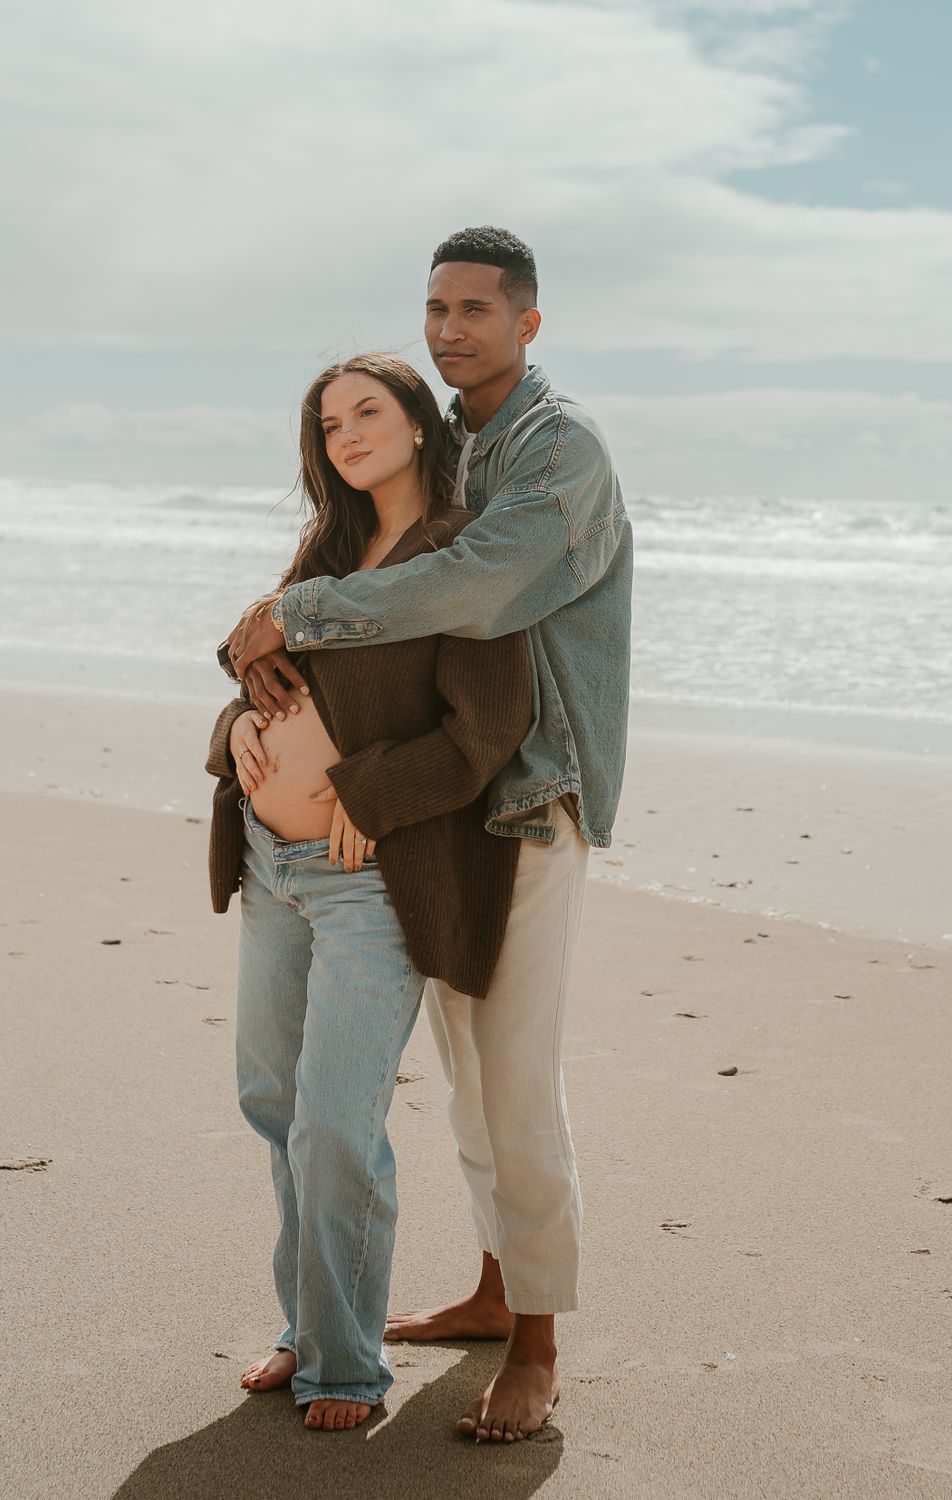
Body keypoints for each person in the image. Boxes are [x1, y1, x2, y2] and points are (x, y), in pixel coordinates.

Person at [226, 226, 633, 1444]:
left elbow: (472, 592)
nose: (449, 328)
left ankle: (542, 1346)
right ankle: (500, 1294)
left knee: (512, 1078)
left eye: (476, 308)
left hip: (528, 796)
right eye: (435, 308)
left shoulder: (559, 454)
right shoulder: (454, 447)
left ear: (528, 323)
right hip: (454, 814)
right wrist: (247, 705)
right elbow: (346, 627)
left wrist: (295, 610)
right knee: (466, 1078)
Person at [206, 353, 533, 1433]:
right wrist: (239, 730)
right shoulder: (330, 547)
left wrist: (373, 791)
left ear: (414, 423)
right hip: (269, 866)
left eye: (367, 411)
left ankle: (345, 1365)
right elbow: (250, 668)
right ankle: (310, 1322)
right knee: (274, 1106)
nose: (346, 433)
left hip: (365, 882)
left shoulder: (457, 555)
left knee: (337, 1124)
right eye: (328, 420)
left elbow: (488, 728)